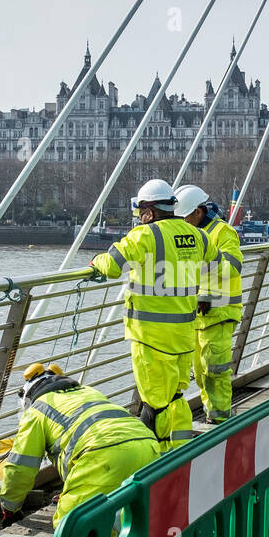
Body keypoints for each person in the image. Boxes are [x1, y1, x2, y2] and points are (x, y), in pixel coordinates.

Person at [90, 178, 221, 451]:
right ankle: (181, 453)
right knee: (175, 397)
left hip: (149, 337)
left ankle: (157, 457)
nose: (139, 218)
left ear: (148, 212)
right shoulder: (196, 234)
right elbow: (215, 261)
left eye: (140, 213)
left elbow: (112, 266)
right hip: (184, 333)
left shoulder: (144, 236)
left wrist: (95, 262)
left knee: (155, 403)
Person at [0, 363, 161, 529]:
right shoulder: (88, 391)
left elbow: (20, 468)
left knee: (69, 529)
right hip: (147, 443)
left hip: (102, 456)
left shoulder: (37, 410)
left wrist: (10, 507)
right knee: (137, 518)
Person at [174, 184, 242, 424]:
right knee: (201, 372)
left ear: (199, 212)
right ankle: (211, 412)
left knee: (215, 369)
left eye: (186, 217)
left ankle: (221, 418)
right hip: (197, 314)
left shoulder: (222, 232)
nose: (184, 222)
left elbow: (233, 266)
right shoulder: (190, 234)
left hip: (220, 311)